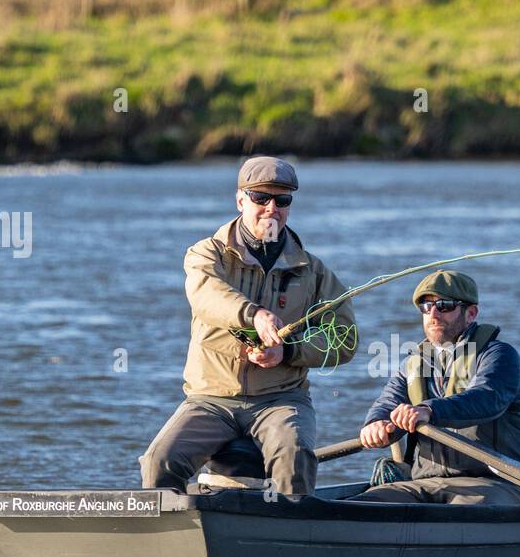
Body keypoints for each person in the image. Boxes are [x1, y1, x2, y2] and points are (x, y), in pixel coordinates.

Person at [140, 156, 357, 495]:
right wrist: (254, 314)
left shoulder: (313, 272)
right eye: (261, 198)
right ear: (240, 200)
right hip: (210, 398)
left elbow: (344, 341)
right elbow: (207, 295)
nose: (272, 208)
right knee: (159, 462)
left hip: (282, 399)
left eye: (282, 200)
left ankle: (288, 539)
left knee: (294, 456)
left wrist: (289, 351)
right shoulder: (206, 255)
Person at [349, 270, 520, 505]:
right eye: (426, 307)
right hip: (423, 482)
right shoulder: (412, 365)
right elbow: (388, 404)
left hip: (496, 482)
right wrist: (375, 423)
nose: (434, 313)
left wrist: (429, 410)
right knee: (363, 505)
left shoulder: (499, 355)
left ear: (471, 314)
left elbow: (487, 398)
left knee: (465, 515)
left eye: (444, 305)